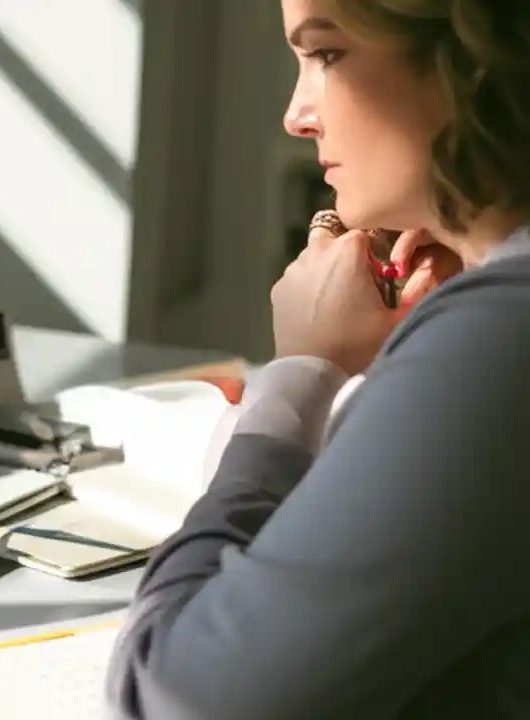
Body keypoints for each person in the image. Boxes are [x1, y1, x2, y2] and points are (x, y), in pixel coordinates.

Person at [104, 1, 530, 717]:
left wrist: (300, 373)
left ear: (472, 59)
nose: (298, 116)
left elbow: (168, 696)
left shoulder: (502, 332)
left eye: (327, 55)